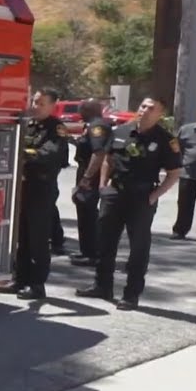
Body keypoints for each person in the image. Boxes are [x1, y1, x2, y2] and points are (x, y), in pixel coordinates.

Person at [76, 96, 182, 310]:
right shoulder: (121, 131)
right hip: (114, 193)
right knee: (105, 241)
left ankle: (131, 294)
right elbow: (108, 158)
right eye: (143, 106)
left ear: (160, 114)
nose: (145, 110)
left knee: (138, 247)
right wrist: (103, 185)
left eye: (152, 108)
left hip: (141, 197)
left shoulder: (165, 139)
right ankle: (102, 285)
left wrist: (154, 196)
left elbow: (173, 173)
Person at [0, 88, 69, 300]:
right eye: (34, 102)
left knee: (38, 238)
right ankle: (20, 279)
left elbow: (51, 154)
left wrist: (24, 154)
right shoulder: (28, 125)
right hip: (23, 187)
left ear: (52, 105)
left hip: (42, 188)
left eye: (41, 103)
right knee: (21, 237)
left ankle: (37, 285)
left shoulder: (57, 129)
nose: (35, 106)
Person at [68, 99, 113, 267]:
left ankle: (92, 253)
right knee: (83, 210)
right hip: (86, 170)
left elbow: (99, 153)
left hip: (91, 173)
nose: (79, 113)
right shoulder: (92, 125)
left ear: (88, 110)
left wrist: (87, 178)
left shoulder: (97, 127)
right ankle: (86, 250)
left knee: (88, 212)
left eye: (81, 110)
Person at [170, 102, 196, 240]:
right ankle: (180, 230)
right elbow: (176, 148)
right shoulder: (186, 130)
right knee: (184, 204)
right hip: (188, 174)